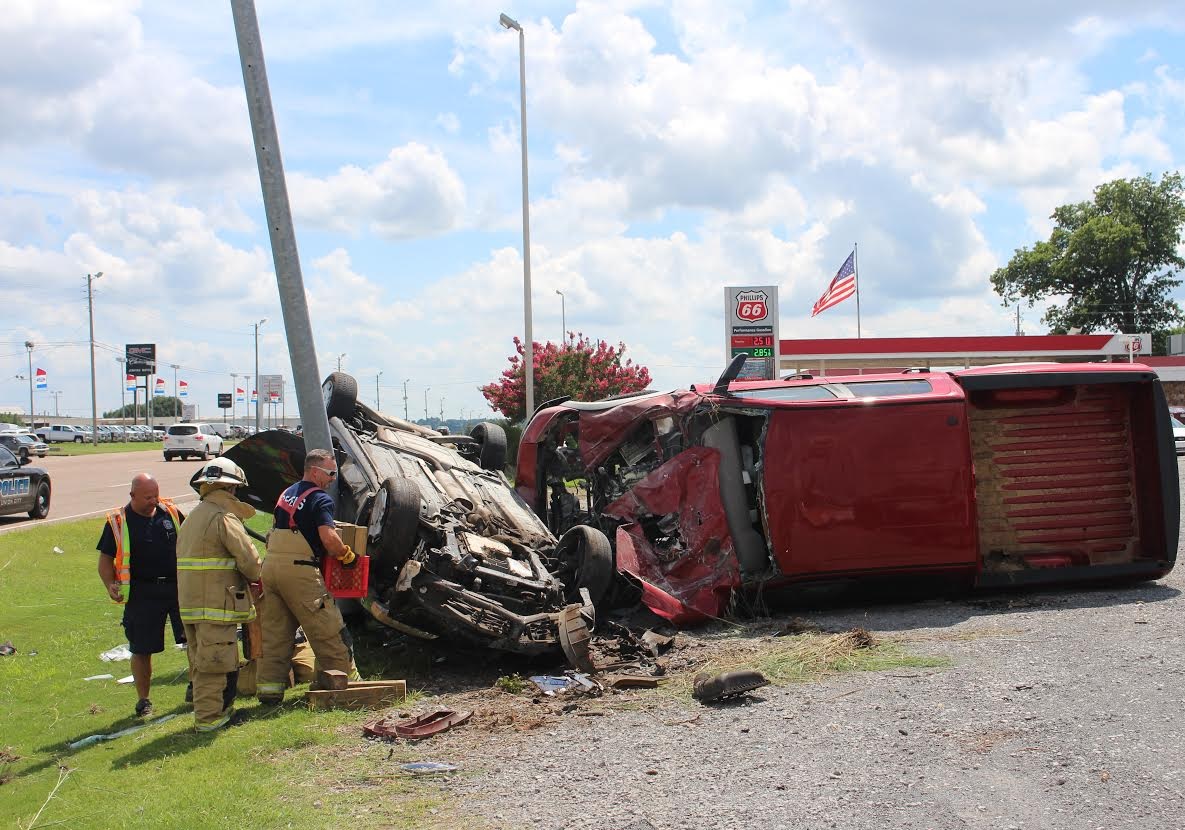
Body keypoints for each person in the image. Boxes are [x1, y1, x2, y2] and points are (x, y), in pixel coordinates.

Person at [257, 448, 359, 703]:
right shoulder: (320, 499)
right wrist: (348, 556)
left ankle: (270, 692)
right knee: (327, 628)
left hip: (271, 568)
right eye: (330, 473)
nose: (333, 478)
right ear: (314, 471)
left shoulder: (287, 493)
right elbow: (329, 538)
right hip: (299, 571)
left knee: (277, 634)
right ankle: (348, 685)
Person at [175, 458, 262, 731]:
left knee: (202, 663)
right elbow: (249, 561)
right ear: (231, 490)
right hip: (214, 606)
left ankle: (216, 713)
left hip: (191, 606)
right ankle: (209, 720)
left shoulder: (194, 517)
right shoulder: (223, 518)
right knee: (216, 664)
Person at [97, 473, 186, 718]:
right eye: (148, 497)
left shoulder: (171, 513)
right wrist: (110, 585)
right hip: (142, 593)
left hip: (177, 588)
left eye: (155, 495)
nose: (153, 501)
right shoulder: (119, 521)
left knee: (193, 639)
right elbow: (105, 560)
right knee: (142, 648)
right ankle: (143, 700)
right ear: (132, 495)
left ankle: (196, 687)